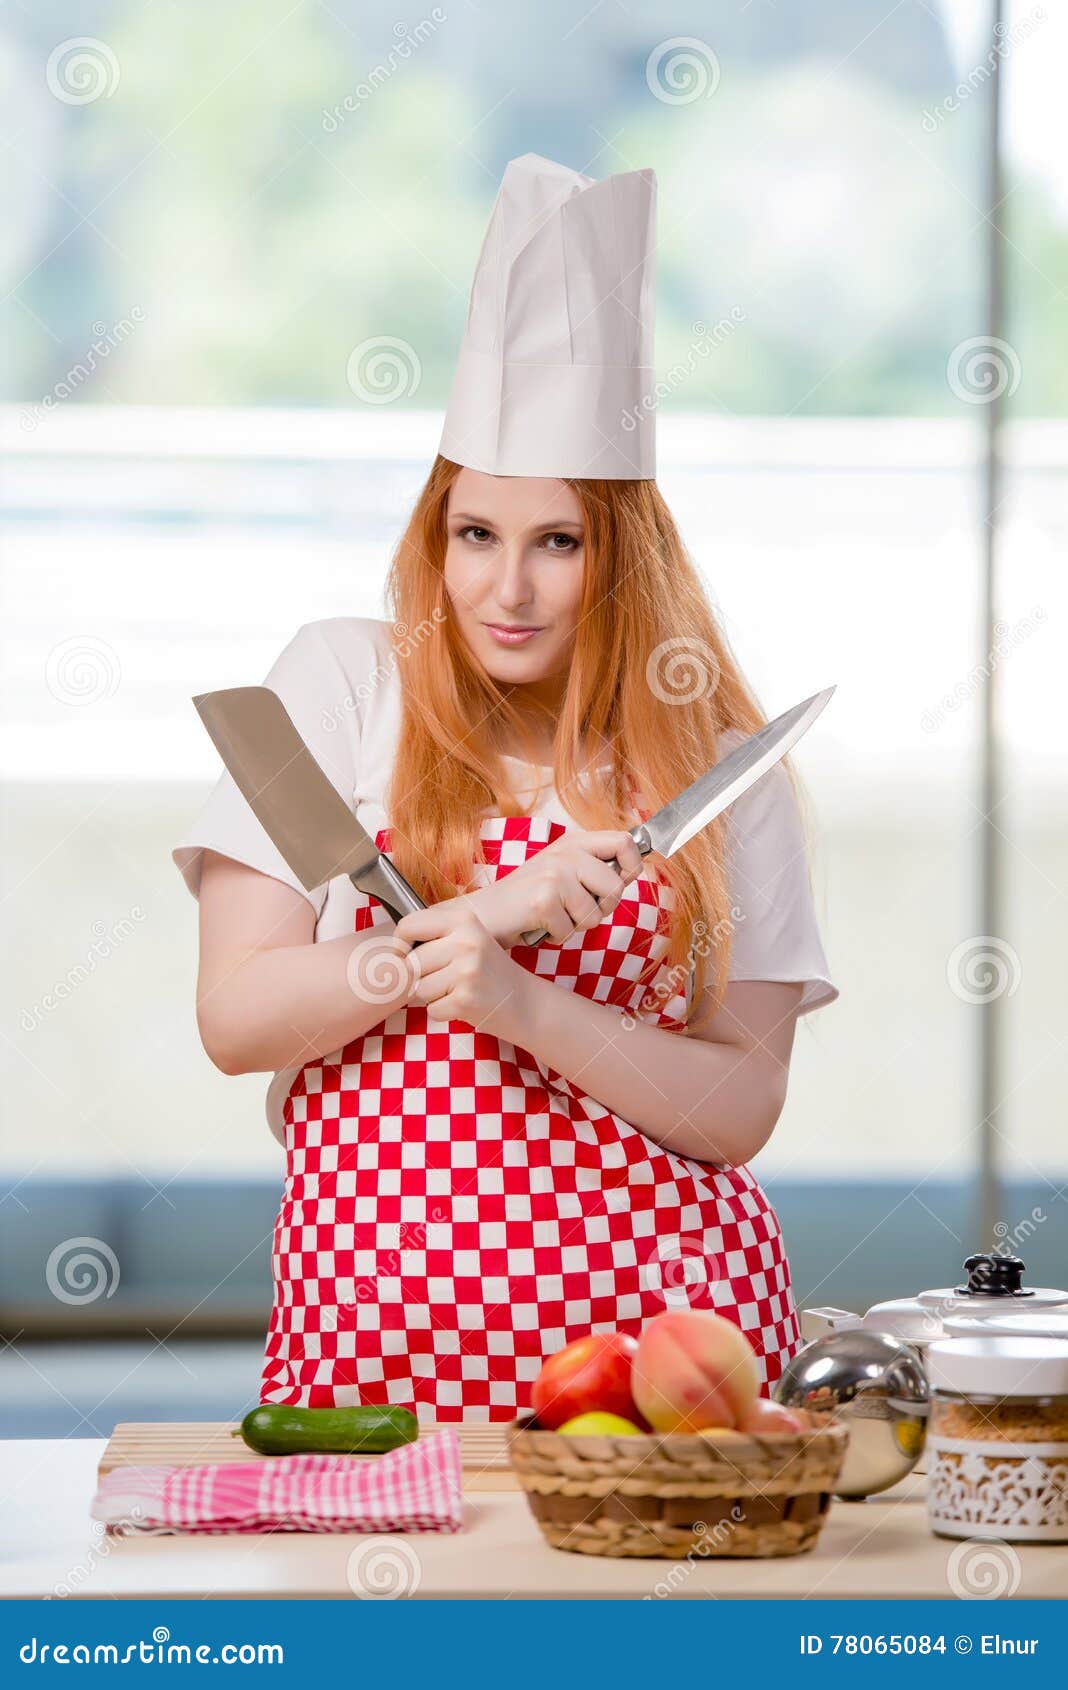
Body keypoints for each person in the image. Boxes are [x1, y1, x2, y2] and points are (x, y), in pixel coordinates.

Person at [174, 154, 838, 1421]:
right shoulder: (343, 683)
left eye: (558, 543)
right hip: (368, 1365)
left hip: (661, 1374)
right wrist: (476, 920)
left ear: (622, 555)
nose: (508, 591)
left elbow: (741, 1101)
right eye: (476, 535)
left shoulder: (719, 761)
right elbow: (237, 1018)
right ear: (436, 536)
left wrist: (526, 1002)